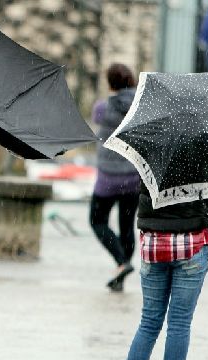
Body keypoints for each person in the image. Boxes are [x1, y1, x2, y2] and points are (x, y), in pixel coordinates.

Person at [114, 174, 208, 360]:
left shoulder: (147, 149)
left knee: (148, 323)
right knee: (179, 325)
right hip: (191, 244)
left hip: (154, 245)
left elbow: (144, 201)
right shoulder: (200, 151)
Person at [90, 64, 140, 292]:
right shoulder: (141, 106)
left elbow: (97, 116)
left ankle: (121, 262)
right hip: (133, 177)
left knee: (97, 220)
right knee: (127, 225)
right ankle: (124, 266)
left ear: (110, 83)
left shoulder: (102, 108)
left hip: (108, 178)